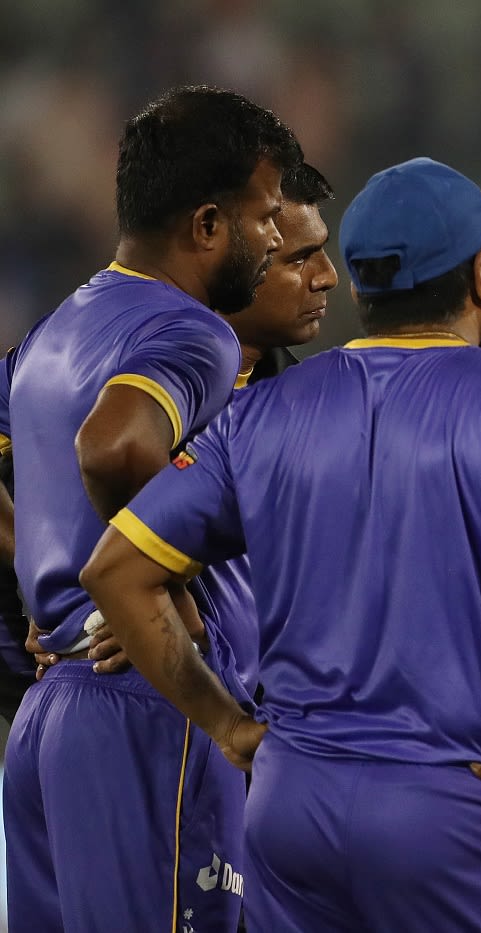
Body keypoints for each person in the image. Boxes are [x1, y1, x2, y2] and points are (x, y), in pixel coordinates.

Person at [80, 156, 481, 931]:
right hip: (456, 815)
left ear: (363, 285)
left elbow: (115, 570)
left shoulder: (260, 413)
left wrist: (229, 725)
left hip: (292, 812)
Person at [0, 85, 300, 933]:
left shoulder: (60, 326)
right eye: (267, 217)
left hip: (46, 719)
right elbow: (114, 446)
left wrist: (37, 581)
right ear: (209, 226)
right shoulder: (194, 331)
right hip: (144, 706)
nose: (276, 238)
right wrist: (155, 578)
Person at [83, 160, 340, 705]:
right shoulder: (120, 380)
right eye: (297, 256)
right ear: (232, 255)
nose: (327, 275)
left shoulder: (316, 406)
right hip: (158, 711)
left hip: (274, 731)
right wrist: (51, 616)